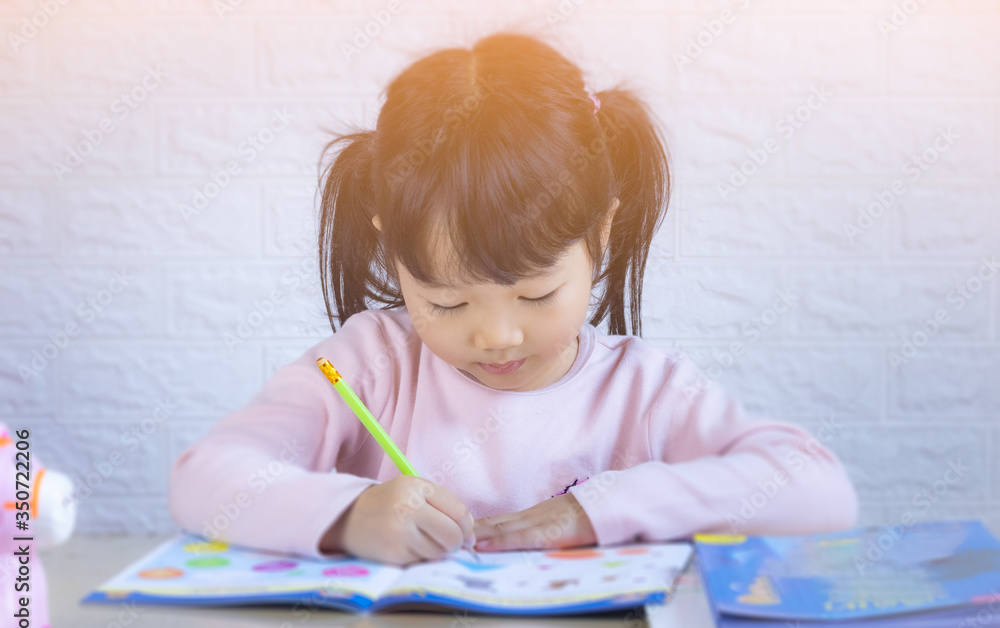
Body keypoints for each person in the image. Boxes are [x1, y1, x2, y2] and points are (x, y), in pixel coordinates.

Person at [168, 31, 858, 566]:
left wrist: (601, 508)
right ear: (393, 253)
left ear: (601, 229)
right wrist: (351, 515)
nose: (498, 335)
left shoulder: (645, 391)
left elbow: (820, 490)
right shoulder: (371, 366)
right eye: (446, 302)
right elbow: (203, 478)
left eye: (536, 293)